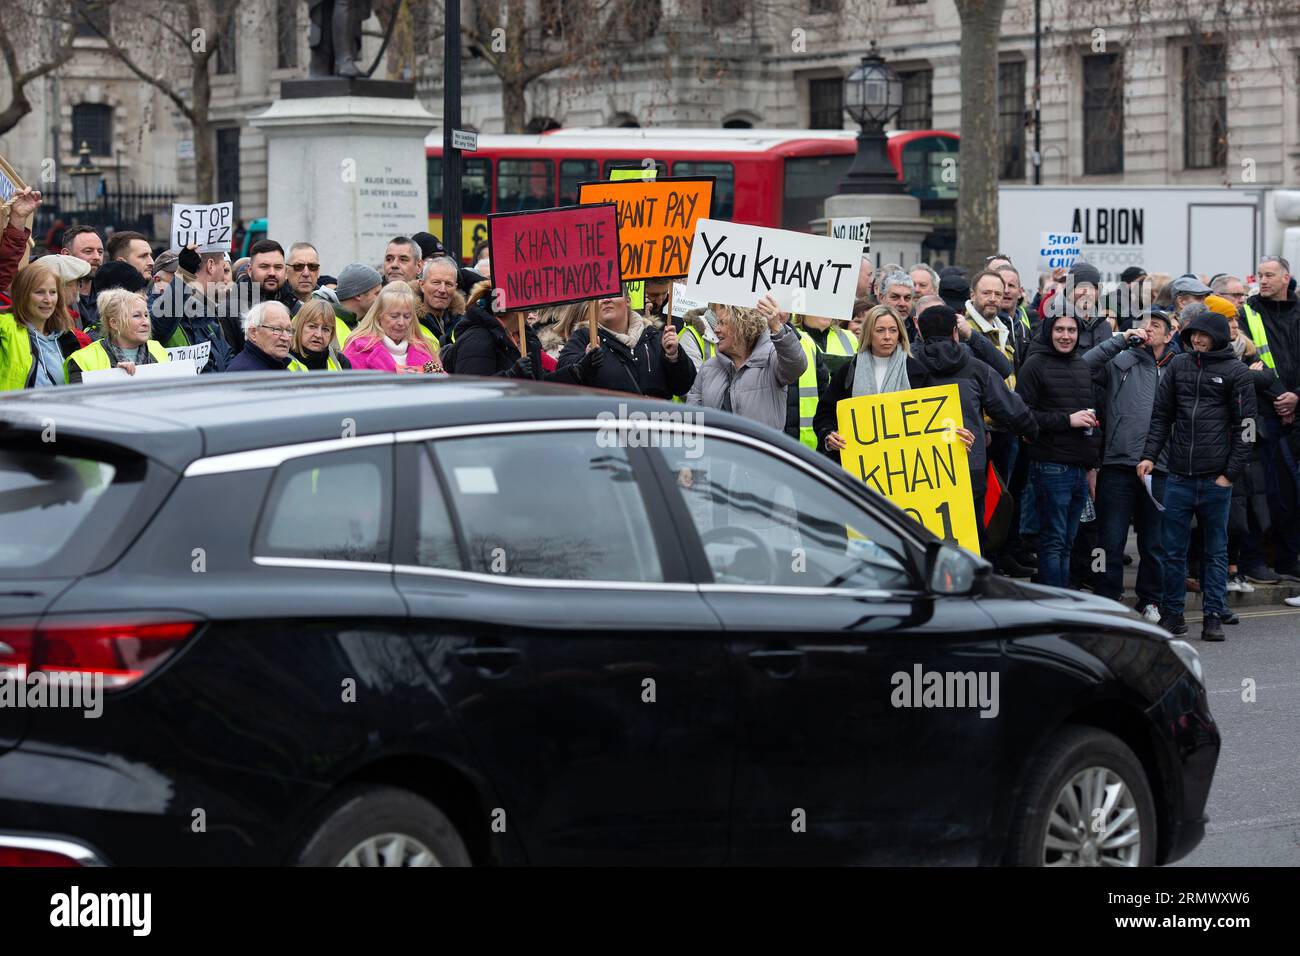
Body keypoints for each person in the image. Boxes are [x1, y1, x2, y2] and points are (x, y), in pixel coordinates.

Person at [1140, 305, 1255, 642]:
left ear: (1218, 336)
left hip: (1215, 479)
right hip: (1177, 476)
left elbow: (1246, 428)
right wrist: (1148, 455)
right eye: (1193, 335)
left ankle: (1213, 616)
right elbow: (1161, 416)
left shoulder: (1237, 372)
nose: (1198, 340)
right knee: (1172, 550)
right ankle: (1173, 616)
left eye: (1204, 334)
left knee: (1215, 552)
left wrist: (1229, 475)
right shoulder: (1178, 364)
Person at [912, 303, 1037, 536]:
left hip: (921, 470)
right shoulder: (976, 368)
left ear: (920, 332)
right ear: (955, 333)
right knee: (970, 535)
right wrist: (1031, 430)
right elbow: (1010, 409)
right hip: (969, 464)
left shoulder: (907, 367)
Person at [1082, 312, 1175, 620]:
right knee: (1108, 539)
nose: (1149, 329)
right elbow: (1085, 365)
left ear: (1169, 336)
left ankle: (1151, 600)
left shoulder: (1178, 366)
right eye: (1145, 323)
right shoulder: (1121, 360)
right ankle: (1106, 595)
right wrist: (1119, 339)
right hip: (1118, 463)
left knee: (1155, 543)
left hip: (1160, 468)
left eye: (1156, 326)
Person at [817, 304, 974, 461]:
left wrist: (956, 438)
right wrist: (829, 434)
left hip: (904, 466)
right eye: (880, 330)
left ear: (900, 334)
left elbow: (935, 420)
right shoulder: (849, 370)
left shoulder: (916, 371)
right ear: (868, 334)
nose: (887, 336)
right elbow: (825, 412)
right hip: (858, 465)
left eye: (893, 330)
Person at [1014, 312, 1102, 588]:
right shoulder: (1035, 365)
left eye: (1072, 330)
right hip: (1050, 466)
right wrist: (1067, 420)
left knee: (1067, 543)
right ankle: (1057, 607)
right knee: (1052, 543)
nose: (1066, 336)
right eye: (1060, 329)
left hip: (1078, 469)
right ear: (1049, 332)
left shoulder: (1080, 365)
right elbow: (1022, 415)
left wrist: (1092, 467)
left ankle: (1064, 605)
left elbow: (1090, 420)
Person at [1239, 255, 1300, 581]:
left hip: (1296, 413)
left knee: (1292, 493)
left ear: (1286, 278)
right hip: (1264, 414)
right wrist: (1281, 396)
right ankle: (1256, 560)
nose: (1262, 280)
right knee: (1261, 492)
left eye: (1269, 275)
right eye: (1260, 275)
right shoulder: (1248, 311)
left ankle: (1289, 558)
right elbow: (1253, 361)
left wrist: (1297, 396)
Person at [685, 294, 807, 432]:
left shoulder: (771, 358)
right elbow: (692, 419)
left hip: (760, 452)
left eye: (722, 323)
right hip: (715, 452)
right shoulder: (709, 368)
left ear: (742, 324)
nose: (716, 329)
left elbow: (797, 366)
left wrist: (777, 328)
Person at [556, 289, 695, 399]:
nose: (606, 300)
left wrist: (674, 357)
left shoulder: (655, 337)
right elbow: (561, 381)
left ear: (627, 301)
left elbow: (682, 386)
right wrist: (584, 363)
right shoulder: (583, 338)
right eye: (600, 296)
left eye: (613, 293)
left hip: (654, 426)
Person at [451, 282, 597, 383]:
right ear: (514, 308)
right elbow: (473, 390)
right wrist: (511, 375)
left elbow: (541, 382)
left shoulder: (526, 339)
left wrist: (577, 370)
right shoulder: (477, 339)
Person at [147, 246, 234, 373]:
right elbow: (159, 327)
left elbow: (226, 359)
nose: (191, 278)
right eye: (176, 273)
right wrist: (183, 275)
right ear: (157, 280)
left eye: (193, 271)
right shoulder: (147, 311)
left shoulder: (205, 311)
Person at [0, 263, 84, 389]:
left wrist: (118, 371)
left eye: (53, 292)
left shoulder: (67, 335)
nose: (48, 300)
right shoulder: (4, 329)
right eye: (40, 292)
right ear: (22, 295)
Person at [64, 288, 170, 383]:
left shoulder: (157, 349)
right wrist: (114, 375)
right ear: (114, 323)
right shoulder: (82, 360)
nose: (146, 322)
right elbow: (78, 401)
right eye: (137, 316)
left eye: (146, 315)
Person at [342, 283, 441, 373]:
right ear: (378, 316)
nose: (401, 323)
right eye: (394, 316)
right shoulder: (357, 350)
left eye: (407, 316)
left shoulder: (424, 350)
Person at [231, 239, 298, 352]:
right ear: (250, 270)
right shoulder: (230, 309)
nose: (272, 272)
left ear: (286, 272)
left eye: (278, 267)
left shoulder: (296, 306)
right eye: (264, 266)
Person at [228, 301, 296, 372]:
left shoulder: (279, 364)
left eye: (288, 330)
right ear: (253, 333)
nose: (286, 338)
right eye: (277, 329)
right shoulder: (243, 372)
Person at [60, 224, 104, 331]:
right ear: (66, 254)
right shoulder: (54, 297)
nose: (97, 257)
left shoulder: (109, 294)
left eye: (100, 252)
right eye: (88, 251)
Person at [288, 299, 352, 371]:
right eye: (312, 327)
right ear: (299, 327)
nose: (319, 335)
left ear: (331, 333)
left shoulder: (341, 361)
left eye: (325, 329)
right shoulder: (282, 360)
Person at [328, 262, 382, 344]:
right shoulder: (327, 324)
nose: (381, 299)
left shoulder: (359, 323)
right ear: (358, 295)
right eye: (377, 293)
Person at [416, 256, 465, 342]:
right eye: (436, 282)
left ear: (455, 288)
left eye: (448, 284)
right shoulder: (408, 320)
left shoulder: (463, 324)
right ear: (422, 285)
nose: (442, 290)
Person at [877, 270, 917, 343]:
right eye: (895, 297)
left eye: (907, 298)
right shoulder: (867, 326)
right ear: (881, 298)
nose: (902, 303)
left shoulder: (918, 329)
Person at [286, 242, 323, 308]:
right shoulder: (274, 305)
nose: (306, 273)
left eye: (312, 266)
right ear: (285, 271)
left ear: (318, 271)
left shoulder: (331, 305)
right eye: (298, 266)